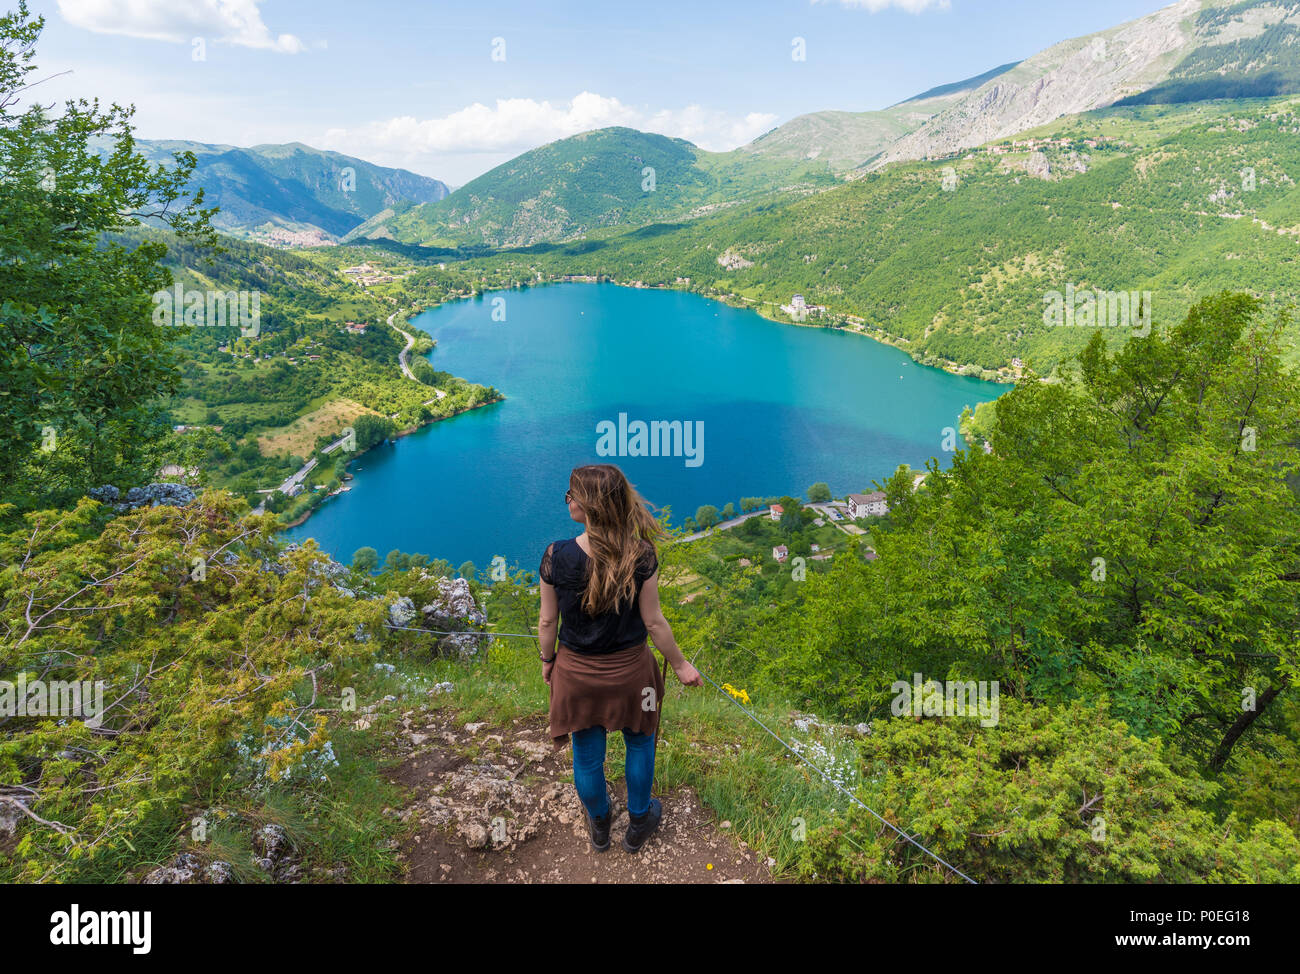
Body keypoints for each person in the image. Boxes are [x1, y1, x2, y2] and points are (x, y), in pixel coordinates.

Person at [538, 463, 703, 854]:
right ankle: (640, 820)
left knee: (587, 754)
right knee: (641, 742)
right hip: (634, 678)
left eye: (571, 494)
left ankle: (600, 823)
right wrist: (680, 665)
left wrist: (548, 661)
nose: (567, 499)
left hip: (577, 678)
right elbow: (654, 621)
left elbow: (547, 621)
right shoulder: (641, 555)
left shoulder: (555, 556)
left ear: (590, 506)